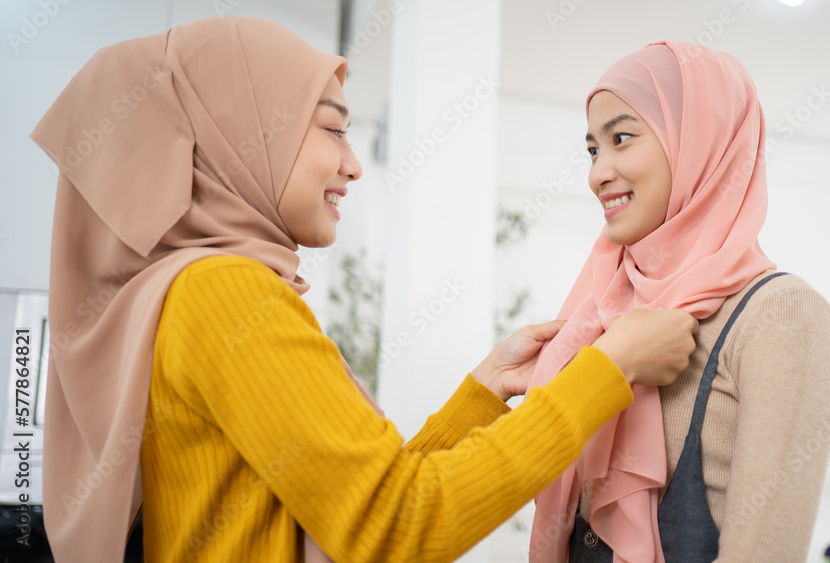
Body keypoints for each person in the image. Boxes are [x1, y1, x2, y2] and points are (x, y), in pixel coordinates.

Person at [28, 18, 700, 563]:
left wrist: (483, 392)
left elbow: (353, 510)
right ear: (238, 137)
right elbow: (394, 531)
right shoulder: (226, 294)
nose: (352, 163)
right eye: (330, 127)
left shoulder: (187, 291)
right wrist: (606, 372)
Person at [526, 42, 830, 563]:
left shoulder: (782, 316)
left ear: (699, 142)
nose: (596, 173)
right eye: (591, 149)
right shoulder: (598, 315)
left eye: (621, 138)